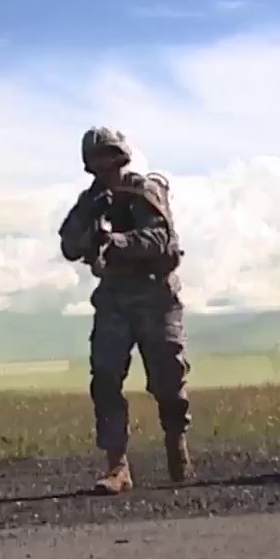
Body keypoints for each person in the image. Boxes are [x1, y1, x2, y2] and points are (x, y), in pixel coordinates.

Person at [57, 127, 193, 494]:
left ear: (122, 157)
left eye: (109, 157)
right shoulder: (91, 202)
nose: (104, 166)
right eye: (96, 160)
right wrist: (90, 233)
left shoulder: (143, 191)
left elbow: (160, 239)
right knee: (105, 377)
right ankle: (117, 466)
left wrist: (117, 241)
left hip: (156, 295)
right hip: (115, 298)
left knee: (168, 374)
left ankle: (175, 438)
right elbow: (68, 244)